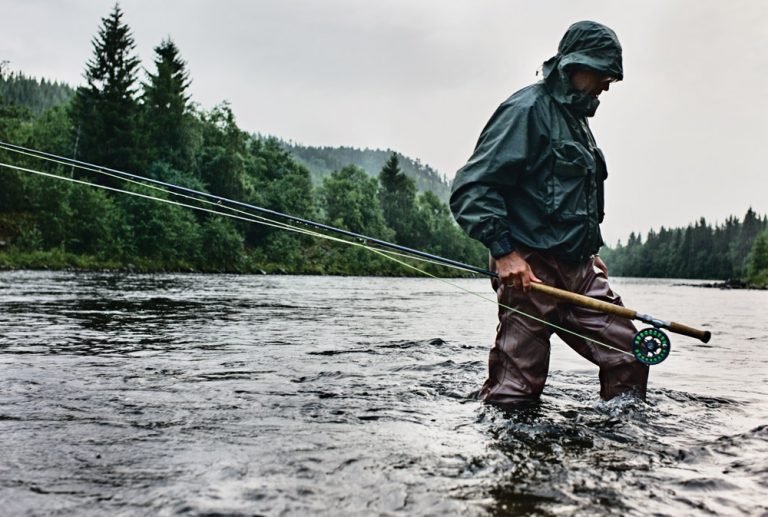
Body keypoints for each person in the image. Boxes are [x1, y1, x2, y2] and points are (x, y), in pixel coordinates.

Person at [450, 20, 648, 405]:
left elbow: (568, 200)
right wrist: (505, 254)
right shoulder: (525, 110)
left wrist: (589, 254)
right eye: (603, 73)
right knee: (516, 393)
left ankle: (618, 448)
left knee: (631, 353)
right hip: (530, 271)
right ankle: (512, 459)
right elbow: (473, 188)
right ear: (576, 65)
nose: (607, 84)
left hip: (580, 272)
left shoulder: (578, 121)